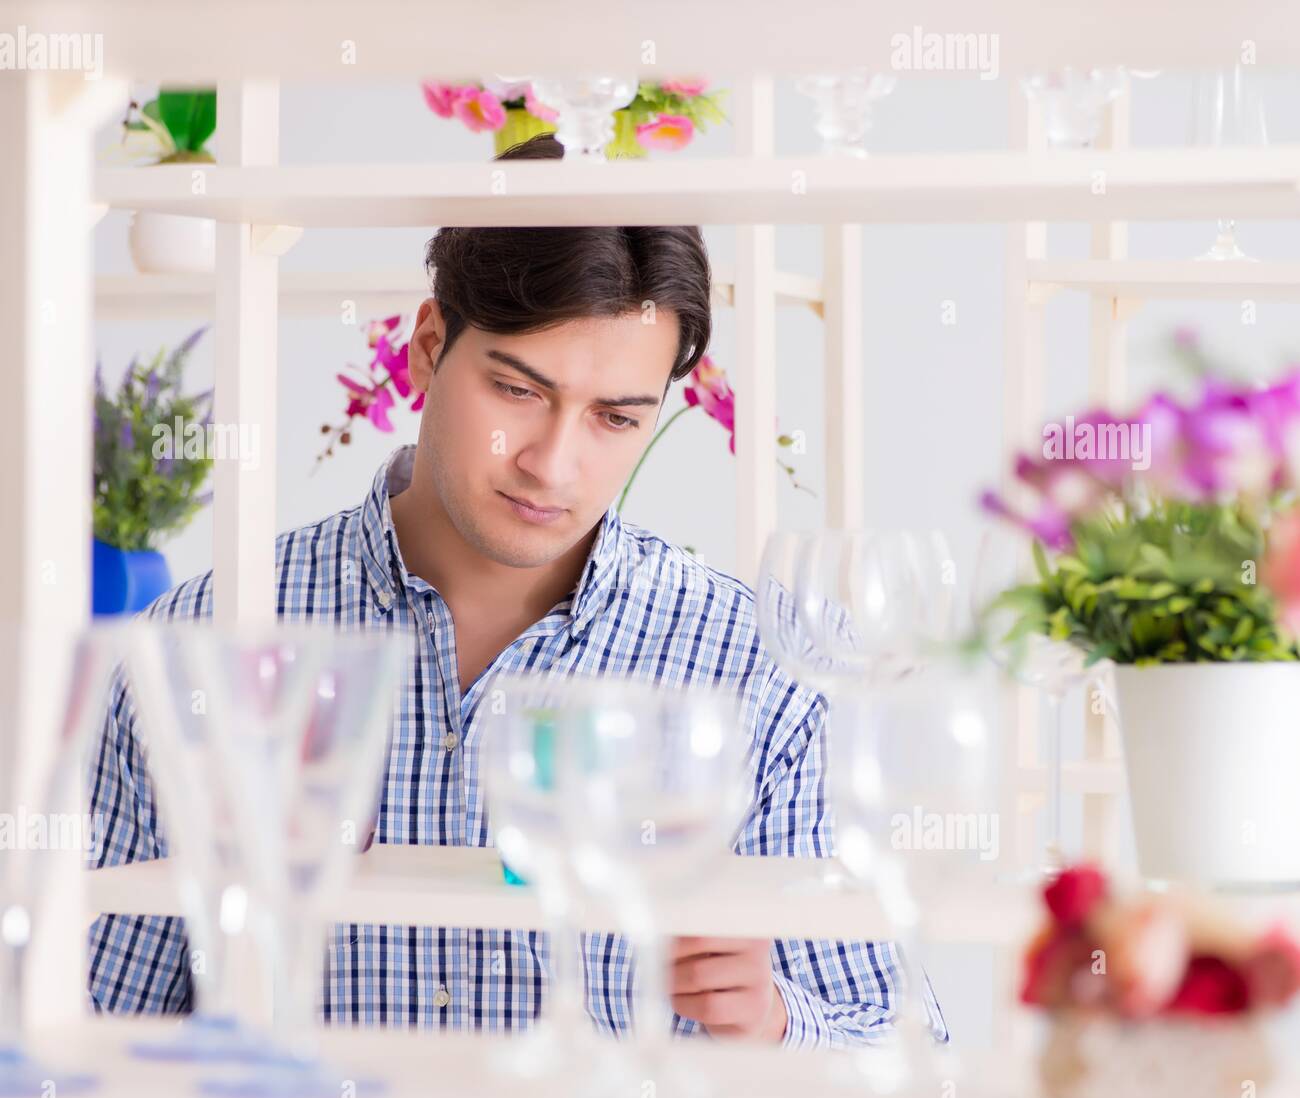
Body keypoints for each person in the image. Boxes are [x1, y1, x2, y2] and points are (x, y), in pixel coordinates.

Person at [87, 133, 947, 1049]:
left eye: (615, 418)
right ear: (428, 348)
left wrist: (773, 1021)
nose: (553, 464)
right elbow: (86, 1026)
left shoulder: (765, 670)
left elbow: (907, 1049)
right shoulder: (207, 641)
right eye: (517, 390)